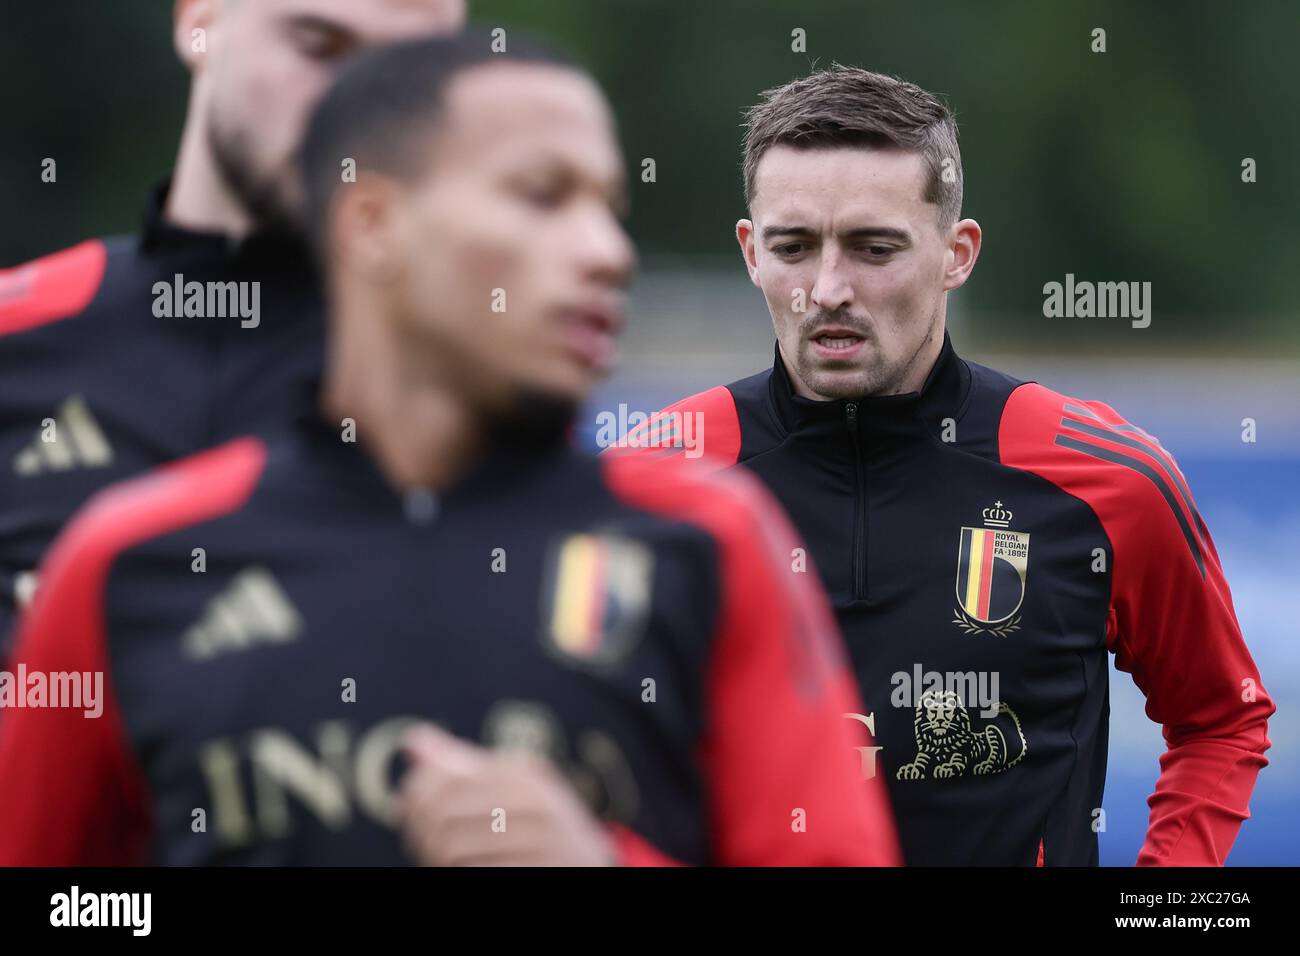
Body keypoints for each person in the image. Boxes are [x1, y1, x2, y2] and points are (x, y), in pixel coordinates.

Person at [0, 32, 899, 867]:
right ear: (373, 224)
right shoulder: (124, 560)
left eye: (609, 209)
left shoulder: (712, 538)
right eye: (542, 197)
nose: (608, 252)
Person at [608, 64, 1274, 866]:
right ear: (751, 253)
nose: (826, 289)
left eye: (873, 247)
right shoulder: (651, 479)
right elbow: (588, 744)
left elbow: (1221, 717)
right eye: (793, 247)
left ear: (957, 254)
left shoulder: (1105, 479)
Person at [0, 0, 468, 648]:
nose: (353, 109)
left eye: (400, 75)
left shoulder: (468, 394)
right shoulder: (19, 336)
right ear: (200, 19)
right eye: (318, 46)